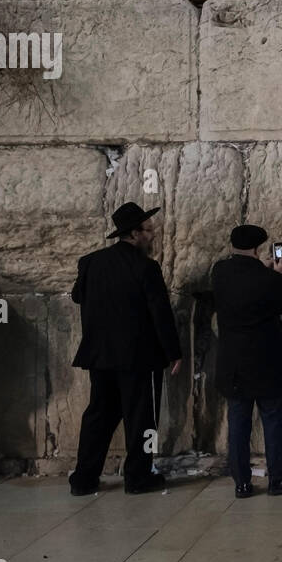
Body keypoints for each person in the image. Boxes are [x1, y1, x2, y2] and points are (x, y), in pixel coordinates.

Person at [69, 202, 181, 496]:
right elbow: (160, 312)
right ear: (134, 234)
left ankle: (83, 478)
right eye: (148, 230)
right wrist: (173, 352)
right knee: (141, 418)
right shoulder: (146, 267)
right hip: (138, 357)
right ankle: (138, 477)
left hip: (100, 355)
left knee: (98, 416)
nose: (152, 235)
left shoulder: (90, 262)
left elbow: (77, 296)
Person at [212, 224, 282, 498]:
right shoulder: (269, 279)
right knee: (273, 420)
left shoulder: (220, 272)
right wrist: (281, 276)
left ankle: (242, 483)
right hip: (265, 362)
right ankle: (278, 479)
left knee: (238, 423)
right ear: (257, 248)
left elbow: (241, 283)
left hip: (233, 364)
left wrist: (264, 271)